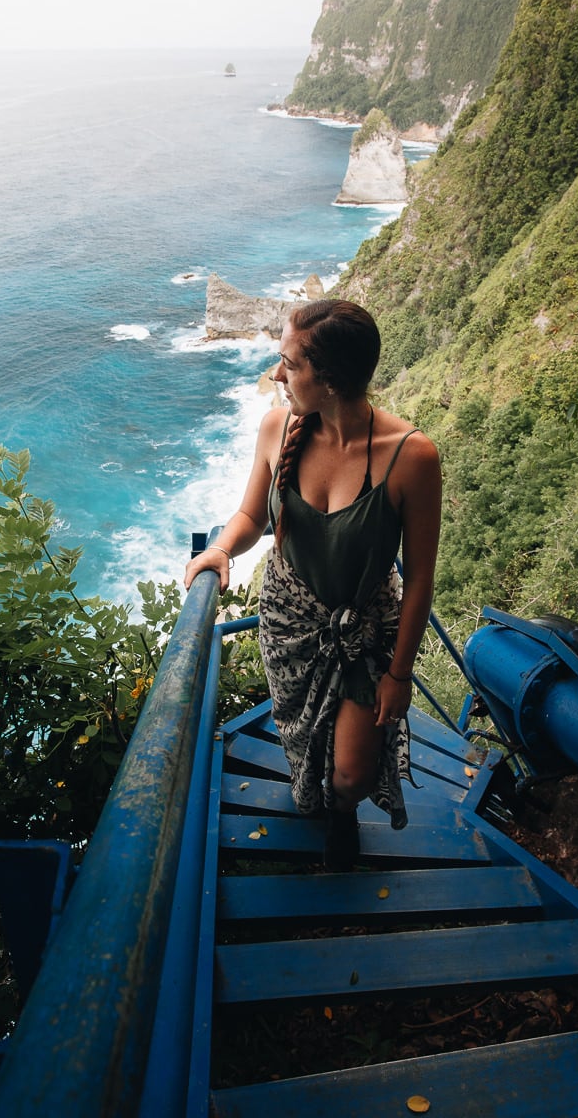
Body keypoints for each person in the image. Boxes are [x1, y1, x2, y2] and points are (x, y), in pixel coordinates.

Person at [184, 299, 441, 870]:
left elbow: (421, 577)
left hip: (362, 632)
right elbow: (251, 516)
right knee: (300, 736)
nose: (277, 373)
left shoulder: (410, 457)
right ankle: (322, 805)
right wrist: (220, 549)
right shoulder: (277, 428)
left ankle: (341, 810)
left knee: (351, 774)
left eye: (289, 363)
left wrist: (400, 674)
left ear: (329, 381)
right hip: (289, 625)